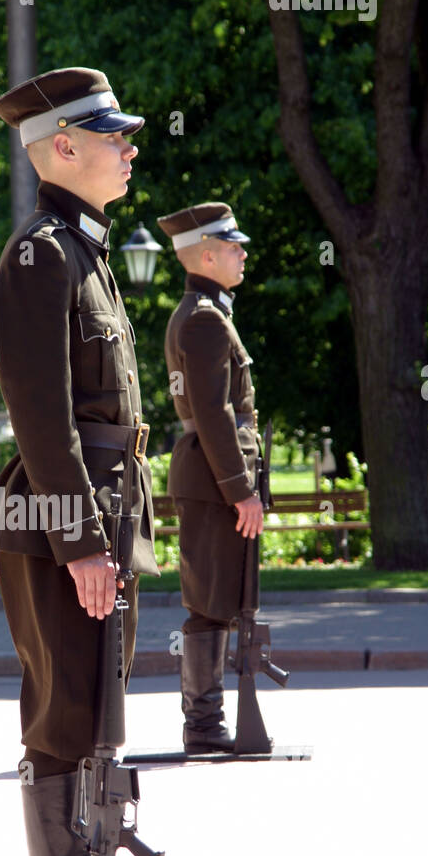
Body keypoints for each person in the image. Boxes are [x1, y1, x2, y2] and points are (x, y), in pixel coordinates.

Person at [0, 66, 183, 856]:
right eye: (114, 136)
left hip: (101, 512)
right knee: (64, 717)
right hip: (69, 523)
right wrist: (81, 544)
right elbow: (42, 413)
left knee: (98, 712)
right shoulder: (42, 256)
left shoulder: (86, 250)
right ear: (63, 147)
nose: (130, 148)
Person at [157, 202, 264, 753]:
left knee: (218, 600)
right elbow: (216, 411)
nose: (242, 253)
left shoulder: (204, 312)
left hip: (210, 476)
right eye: (233, 246)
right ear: (205, 254)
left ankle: (207, 723)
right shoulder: (202, 317)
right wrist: (240, 489)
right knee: (209, 603)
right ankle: (203, 726)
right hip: (213, 478)